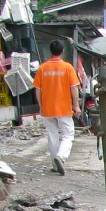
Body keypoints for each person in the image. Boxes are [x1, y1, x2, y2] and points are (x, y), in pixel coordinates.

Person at [32, 39, 81, 175]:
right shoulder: (67, 67)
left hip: (48, 108)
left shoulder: (43, 68)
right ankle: (61, 157)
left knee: (52, 135)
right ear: (62, 52)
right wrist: (76, 106)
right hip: (64, 108)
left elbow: (37, 89)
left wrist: (41, 106)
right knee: (68, 134)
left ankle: (54, 164)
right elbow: (74, 88)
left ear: (50, 51)